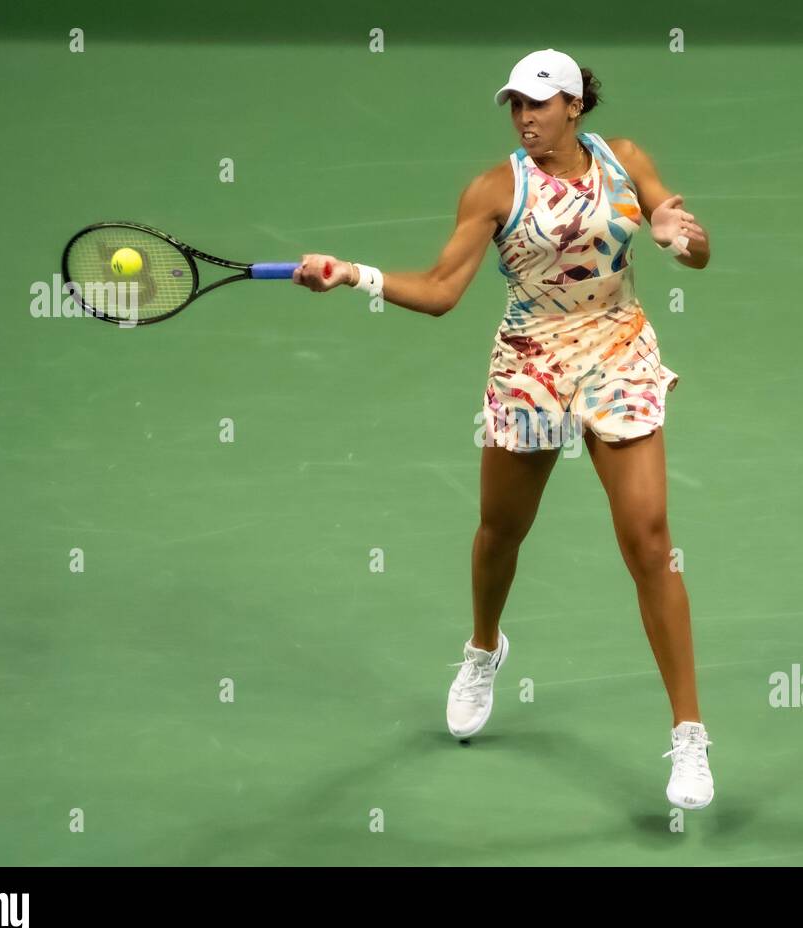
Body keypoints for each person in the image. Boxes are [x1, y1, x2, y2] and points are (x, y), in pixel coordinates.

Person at [291, 48, 714, 809]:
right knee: (500, 533)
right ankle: (485, 647)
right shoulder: (495, 189)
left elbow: (691, 245)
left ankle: (689, 740)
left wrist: (678, 237)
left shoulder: (625, 160)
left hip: (617, 348)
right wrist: (354, 274)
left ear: (575, 105)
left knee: (650, 541)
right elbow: (442, 290)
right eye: (516, 105)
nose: (525, 117)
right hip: (530, 362)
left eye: (539, 104)